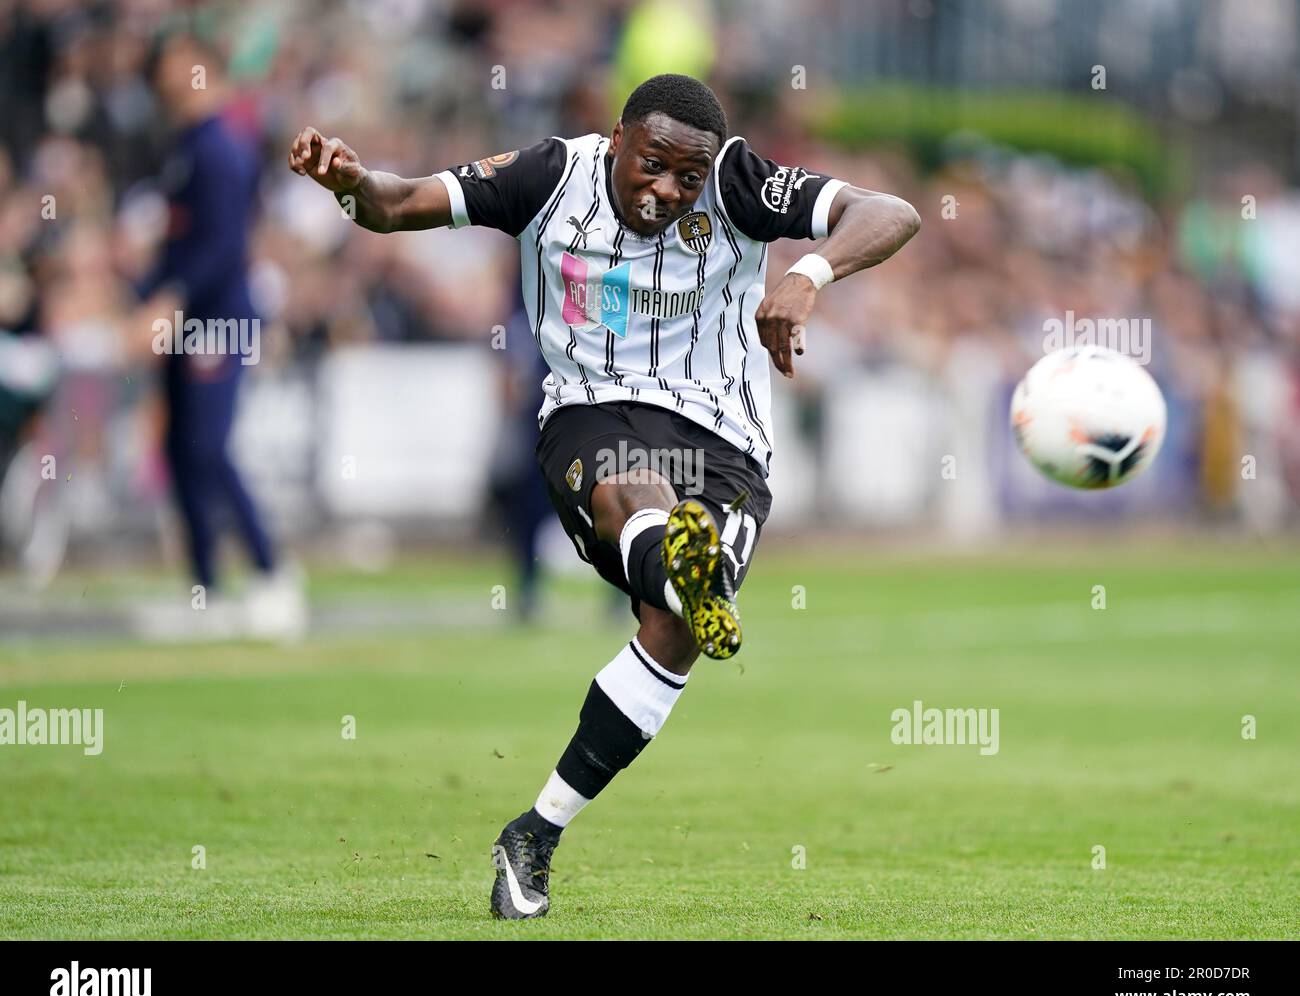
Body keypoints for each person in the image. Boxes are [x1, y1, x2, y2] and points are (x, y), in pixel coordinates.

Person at [288, 73, 919, 918]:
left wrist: (808, 270)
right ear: (617, 139)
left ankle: (535, 832)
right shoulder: (549, 175)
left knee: (676, 630)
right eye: (652, 163)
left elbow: (893, 212)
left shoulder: (736, 181)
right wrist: (351, 185)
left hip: (724, 442)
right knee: (639, 492)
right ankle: (690, 565)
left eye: (684, 178)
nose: (666, 189)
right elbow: (398, 204)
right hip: (594, 415)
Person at [141, 33, 303, 640]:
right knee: (181, 451)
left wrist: (167, 298)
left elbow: (220, 248)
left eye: (183, 70)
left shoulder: (219, 149)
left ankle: (270, 572)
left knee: (208, 448)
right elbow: (177, 241)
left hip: (215, 321)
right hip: (185, 322)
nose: (169, 82)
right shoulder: (183, 148)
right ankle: (205, 586)